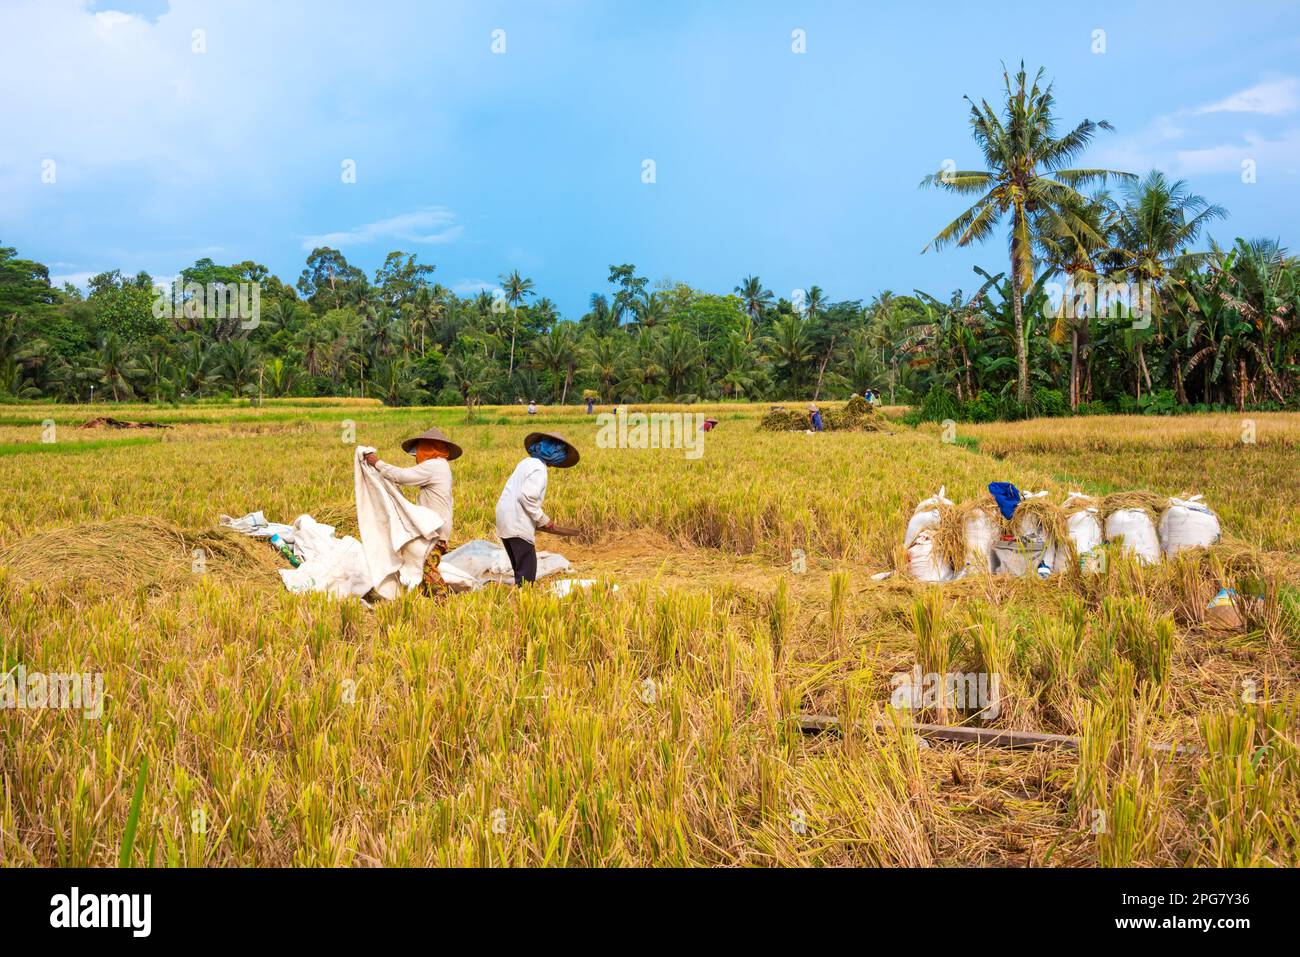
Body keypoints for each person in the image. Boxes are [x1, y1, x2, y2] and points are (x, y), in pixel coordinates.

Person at [363, 425, 462, 596]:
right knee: (423, 565)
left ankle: (444, 601)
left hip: (435, 529)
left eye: (421, 448)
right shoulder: (441, 465)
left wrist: (377, 463)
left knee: (427, 566)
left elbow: (402, 477)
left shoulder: (435, 465)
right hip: (436, 527)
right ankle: (426, 599)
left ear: (429, 448)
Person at [494, 431, 580, 586]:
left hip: (504, 518)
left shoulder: (525, 463)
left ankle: (519, 598)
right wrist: (543, 519)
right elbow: (526, 497)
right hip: (518, 522)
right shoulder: (540, 469)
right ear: (555, 455)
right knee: (527, 574)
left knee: (519, 567)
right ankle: (525, 604)